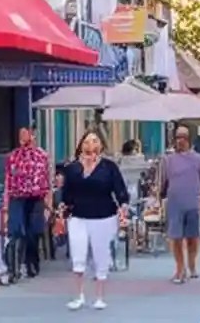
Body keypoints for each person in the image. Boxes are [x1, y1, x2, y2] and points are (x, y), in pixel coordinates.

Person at [60, 130, 129, 310]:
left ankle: (99, 296)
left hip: (104, 216)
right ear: (81, 145)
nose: (91, 144)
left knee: (101, 255)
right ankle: (79, 295)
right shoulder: (73, 168)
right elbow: (66, 194)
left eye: (95, 141)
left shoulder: (109, 167)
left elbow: (120, 191)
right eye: (87, 141)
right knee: (78, 254)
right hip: (78, 217)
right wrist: (62, 208)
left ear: (100, 145)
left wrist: (123, 208)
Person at [161, 125, 200, 283]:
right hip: (175, 202)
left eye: (183, 137)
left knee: (192, 237)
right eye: (177, 137)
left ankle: (192, 265)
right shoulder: (168, 161)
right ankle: (180, 269)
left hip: (192, 203)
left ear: (189, 139)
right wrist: (157, 198)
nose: (180, 141)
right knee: (175, 237)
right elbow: (162, 182)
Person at [3, 127, 52, 278]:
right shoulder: (13, 157)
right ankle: (19, 265)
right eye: (21, 135)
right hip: (18, 198)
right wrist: (6, 203)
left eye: (26, 134)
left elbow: (47, 180)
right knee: (18, 232)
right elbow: (8, 180)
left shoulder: (42, 156)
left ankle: (32, 262)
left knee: (33, 232)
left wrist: (48, 204)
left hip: (36, 198)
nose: (23, 138)